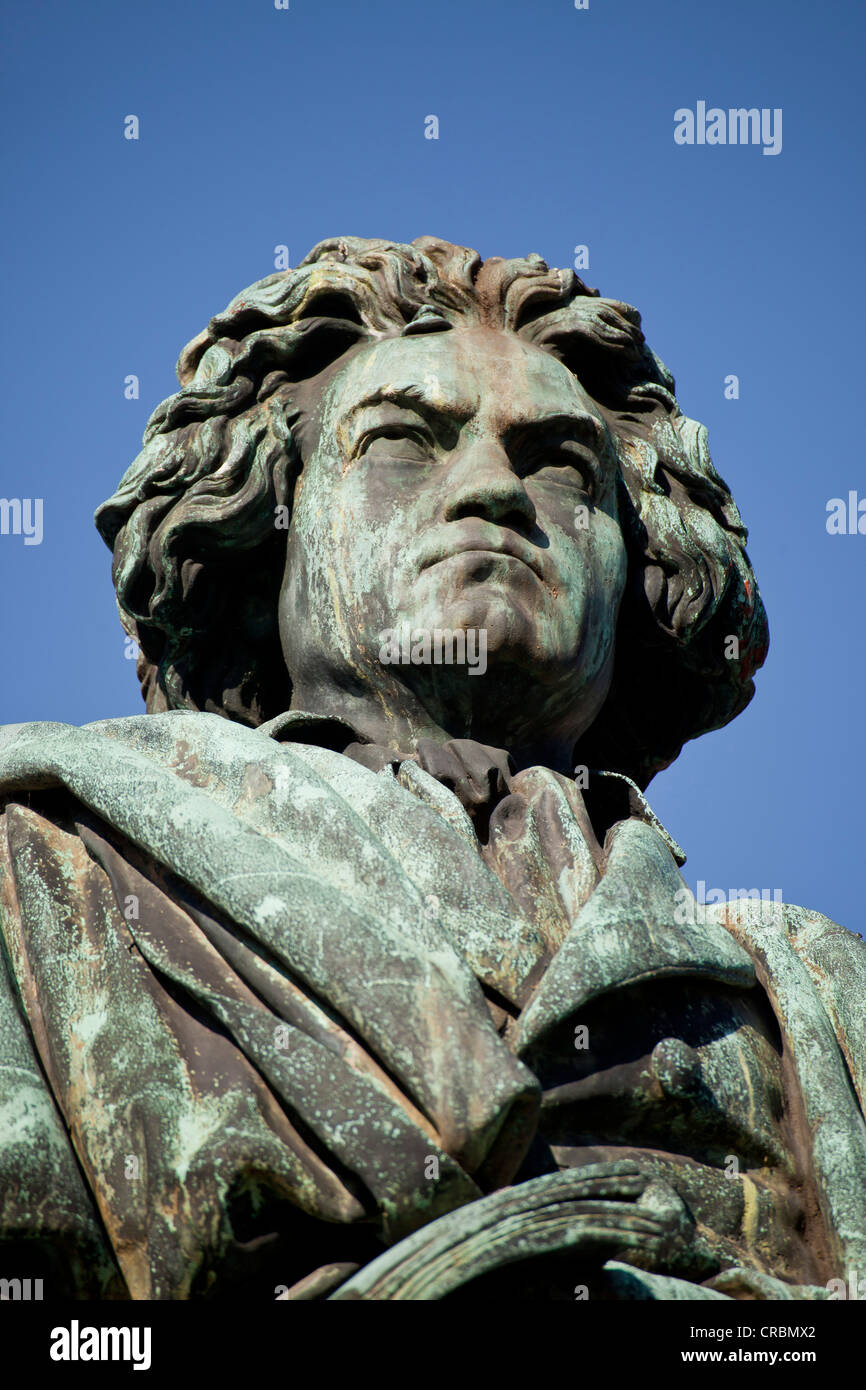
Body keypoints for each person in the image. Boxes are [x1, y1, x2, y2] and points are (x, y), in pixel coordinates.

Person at [1, 237, 863, 1300]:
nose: (494, 490)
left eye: (559, 465)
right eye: (405, 442)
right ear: (260, 529)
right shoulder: (46, 870)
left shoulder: (812, 991)